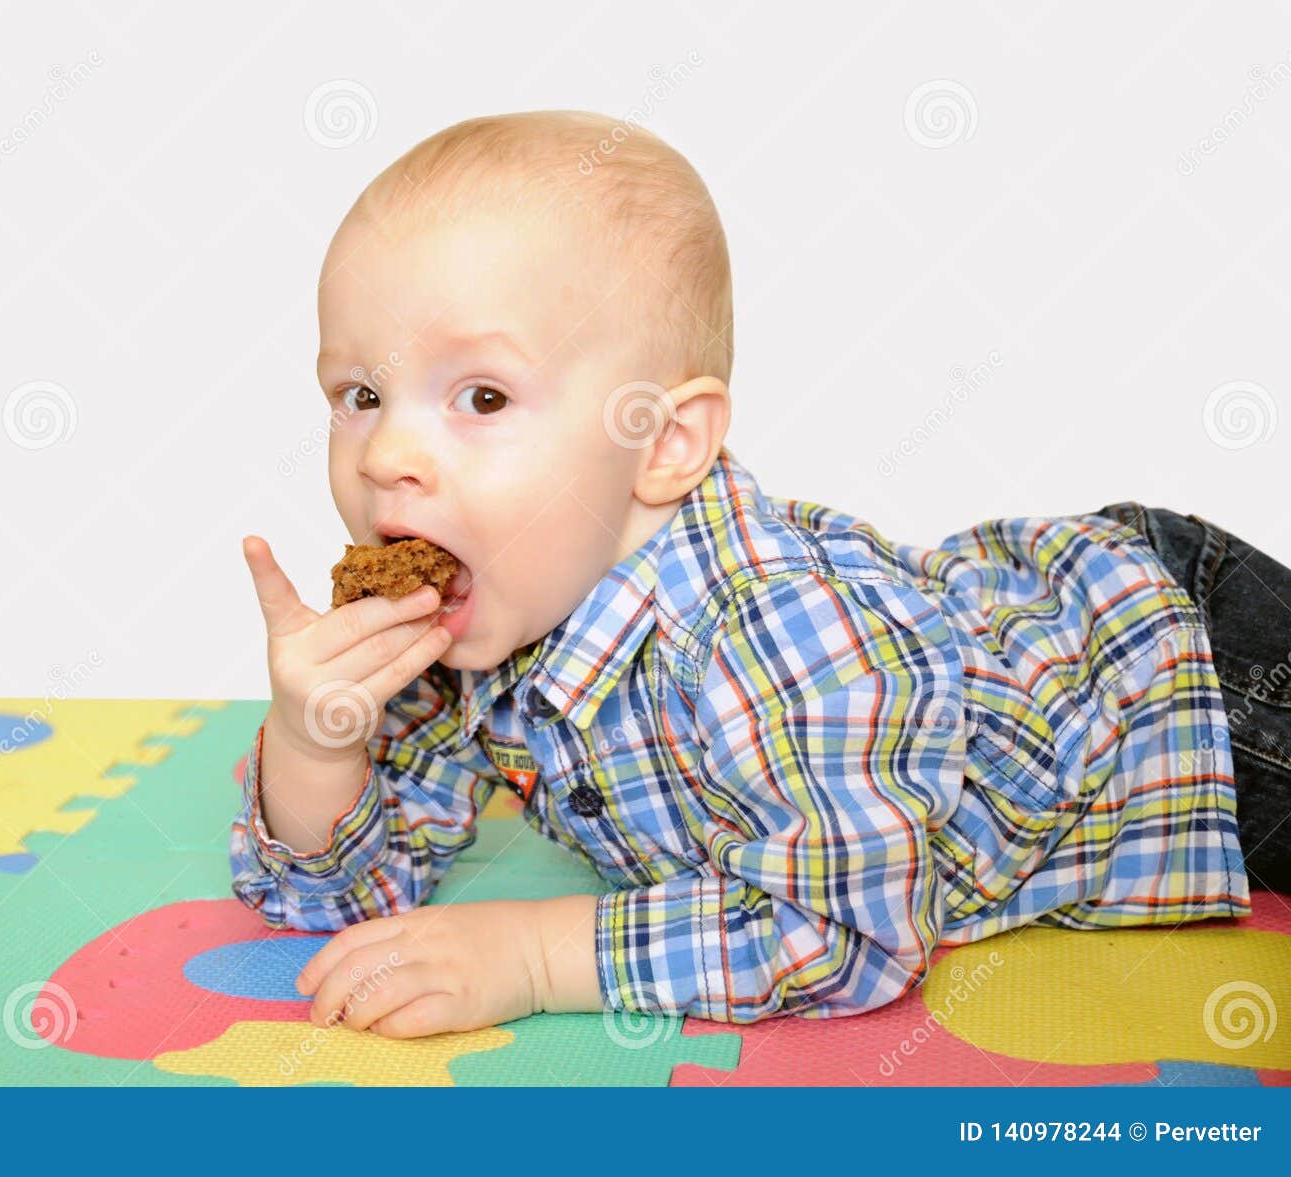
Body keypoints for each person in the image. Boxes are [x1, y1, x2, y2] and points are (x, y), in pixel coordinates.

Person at [230, 110, 1286, 1039]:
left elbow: (851, 930)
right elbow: (357, 897)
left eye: (483, 398)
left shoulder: (778, 630)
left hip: (1179, 678)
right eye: (360, 394)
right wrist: (313, 741)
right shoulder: (485, 620)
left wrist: (536, 955)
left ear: (664, 442)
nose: (382, 457)